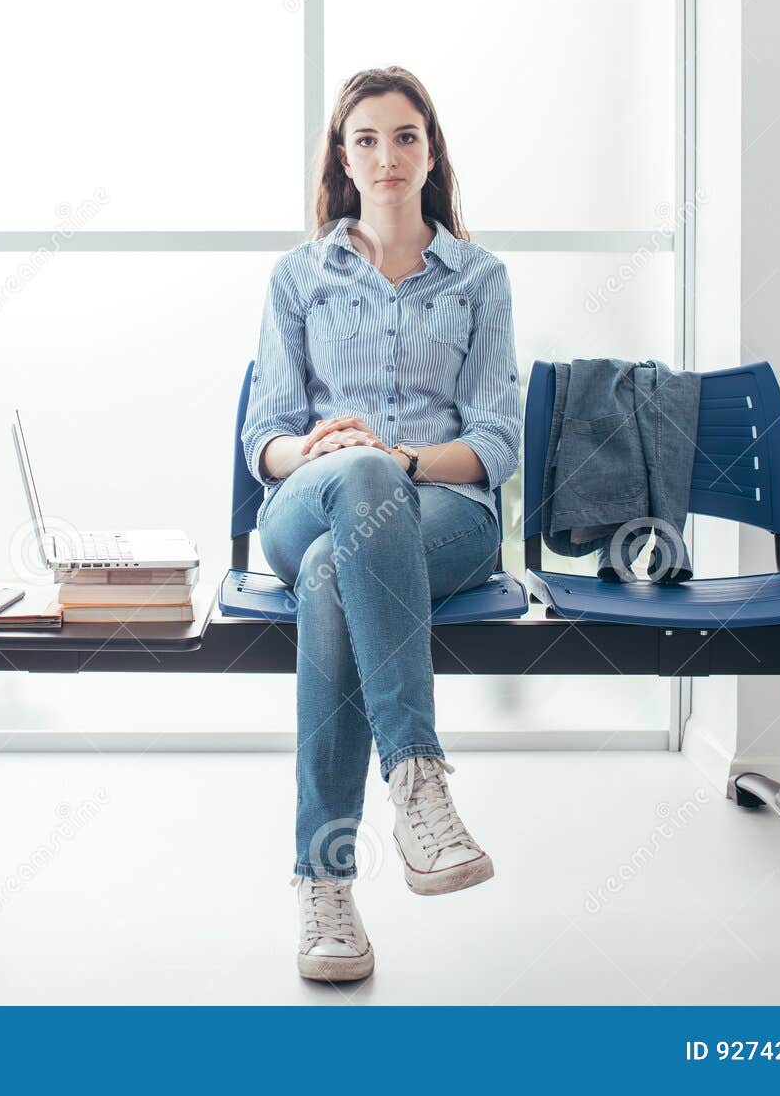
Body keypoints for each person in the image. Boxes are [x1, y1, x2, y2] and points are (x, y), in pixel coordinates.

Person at [239, 66, 523, 983]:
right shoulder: (298, 277)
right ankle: (418, 781)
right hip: (307, 496)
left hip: (446, 515)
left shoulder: (480, 279)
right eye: (366, 138)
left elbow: (494, 440)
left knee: (335, 571)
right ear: (343, 157)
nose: (387, 155)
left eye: (405, 136)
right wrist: (327, 452)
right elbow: (264, 438)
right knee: (349, 487)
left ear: (430, 150)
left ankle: (324, 887)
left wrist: (398, 461)